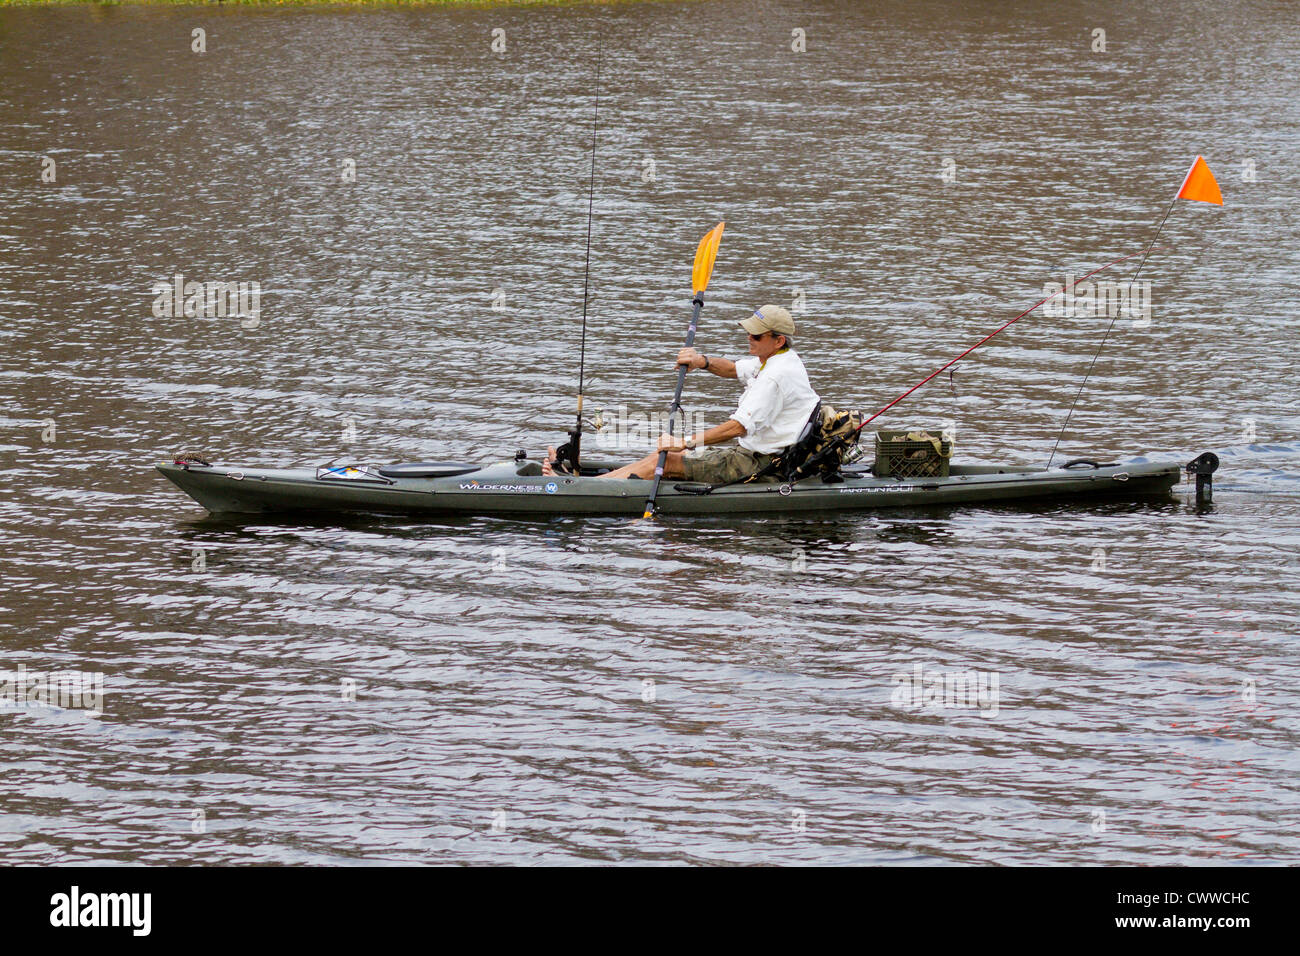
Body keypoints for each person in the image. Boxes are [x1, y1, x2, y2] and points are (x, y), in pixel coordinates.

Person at [543, 304, 820, 483]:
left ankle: (578, 486)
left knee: (664, 459)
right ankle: (593, 481)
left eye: (756, 336)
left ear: (778, 340)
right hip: (757, 454)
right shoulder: (780, 359)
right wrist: (702, 361)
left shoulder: (774, 376)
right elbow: (734, 368)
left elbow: (737, 427)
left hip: (756, 463)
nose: (749, 338)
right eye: (749, 333)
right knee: (658, 456)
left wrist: (684, 442)